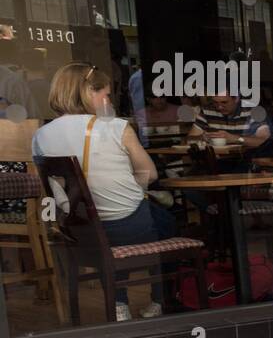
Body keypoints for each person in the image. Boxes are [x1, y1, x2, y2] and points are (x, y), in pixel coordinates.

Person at [32, 62, 176, 321]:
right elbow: (150, 174)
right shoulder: (116, 127)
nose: (108, 100)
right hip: (127, 229)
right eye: (105, 94)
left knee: (109, 226)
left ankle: (118, 303)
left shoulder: (40, 136)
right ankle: (161, 300)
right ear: (88, 92)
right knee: (164, 221)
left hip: (80, 234)